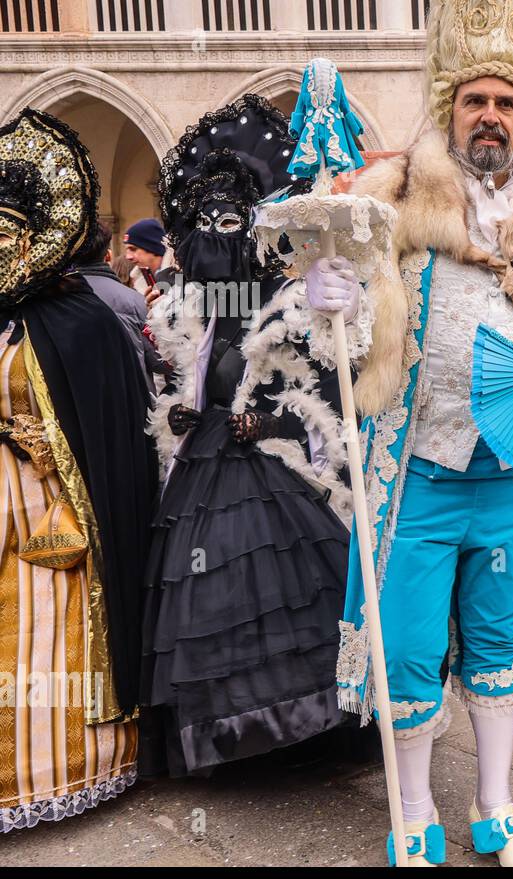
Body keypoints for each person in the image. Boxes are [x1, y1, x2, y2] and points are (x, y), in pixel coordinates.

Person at [331, 0, 513, 866]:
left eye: (508, 103)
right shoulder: (393, 205)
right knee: (408, 646)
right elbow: (331, 335)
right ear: (450, 106)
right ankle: (414, 813)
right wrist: (325, 306)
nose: (492, 115)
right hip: (418, 475)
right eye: (477, 100)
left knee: (495, 639)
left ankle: (495, 806)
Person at [139, 95, 358, 779]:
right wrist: (179, 415)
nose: (214, 234)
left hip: (274, 475)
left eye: (229, 221)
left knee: (277, 593)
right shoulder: (193, 307)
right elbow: (187, 382)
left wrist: (268, 423)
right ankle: (231, 738)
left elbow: (323, 399)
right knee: (207, 598)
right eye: (201, 221)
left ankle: (306, 731)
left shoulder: (285, 300)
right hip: (202, 469)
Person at [0, 109, 155, 832]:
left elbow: (111, 434)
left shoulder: (83, 322)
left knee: (47, 632)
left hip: (54, 509)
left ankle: (66, 767)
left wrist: (41, 444)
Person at [70, 221, 154, 391]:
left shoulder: (56, 301)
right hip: (132, 396)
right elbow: (158, 359)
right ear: (108, 255)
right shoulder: (135, 300)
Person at [122, 218, 175, 297]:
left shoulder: (179, 277)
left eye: (133, 249)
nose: (128, 256)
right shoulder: (137, 280)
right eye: (127, 250)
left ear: (153, 248)